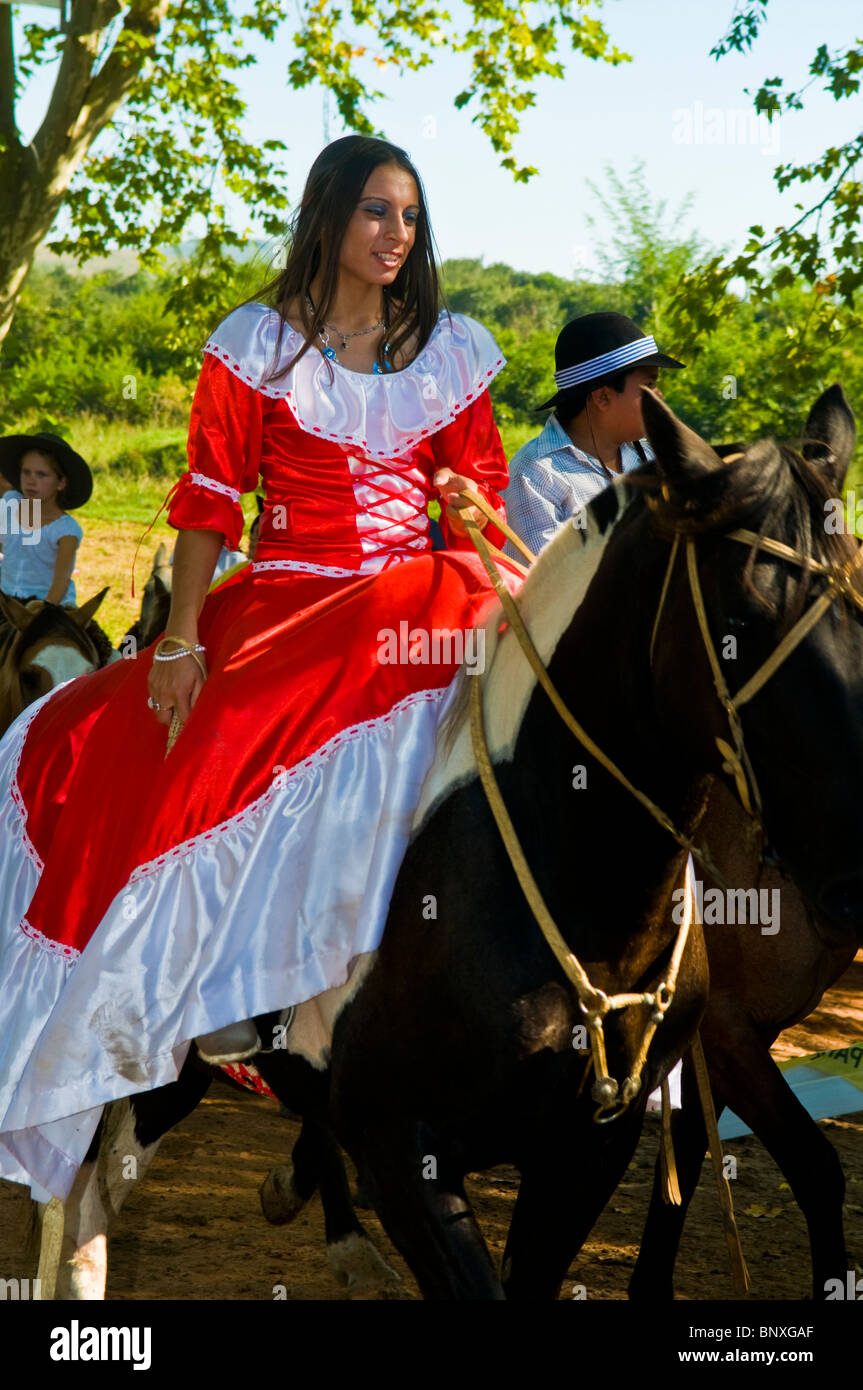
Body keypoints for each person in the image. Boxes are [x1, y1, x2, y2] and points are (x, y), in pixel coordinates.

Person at [0, 135, 520, 1204]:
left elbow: (478, 494)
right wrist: (179, 640)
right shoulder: (258, 343)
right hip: (285, 593)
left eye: (410, 217)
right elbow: (205, 502)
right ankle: (236, 994)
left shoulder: (450, 348)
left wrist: (469, 516)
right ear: (327, 216)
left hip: (418, 591)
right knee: (170, 758)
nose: (397, 235)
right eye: (377, 211)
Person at [503, 313, 685, 558]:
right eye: (650, 385)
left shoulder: (653, 455)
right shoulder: (536, 473)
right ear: (603, 397)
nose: (659, 395)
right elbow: (550, 581)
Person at [0, 432, 91, 605]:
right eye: (26, 472)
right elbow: (7, 546)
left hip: (47, 606)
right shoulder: (11, 502)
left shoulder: (65, 530)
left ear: (61, 483)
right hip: (8, 601)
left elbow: (61, 581)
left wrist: (44, 611)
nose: (31, 481)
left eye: (42, 475)